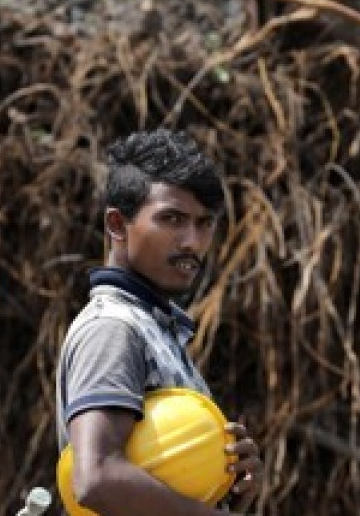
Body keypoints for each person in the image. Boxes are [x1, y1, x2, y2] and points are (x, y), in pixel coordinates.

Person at [55, 128, 262, 515]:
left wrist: (223, 478)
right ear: (117, 225)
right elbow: (96, 478)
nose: (192, 242)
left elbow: (157, 473)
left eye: (204, 223)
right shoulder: (113, 328)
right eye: (173, 219)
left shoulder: (155, 327)